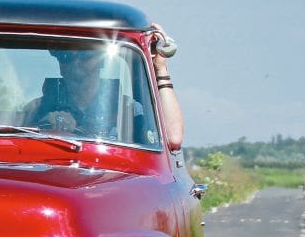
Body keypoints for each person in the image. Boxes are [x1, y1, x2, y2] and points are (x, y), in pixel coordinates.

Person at [23, 25, 185, 151]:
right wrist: (47, 129)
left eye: (86, 55)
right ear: (59, 64)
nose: (76, 63)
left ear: (101, 61)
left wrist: (161, 69)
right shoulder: (37, 110)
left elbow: (174, 137)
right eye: (66, 57)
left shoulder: (129, 110)